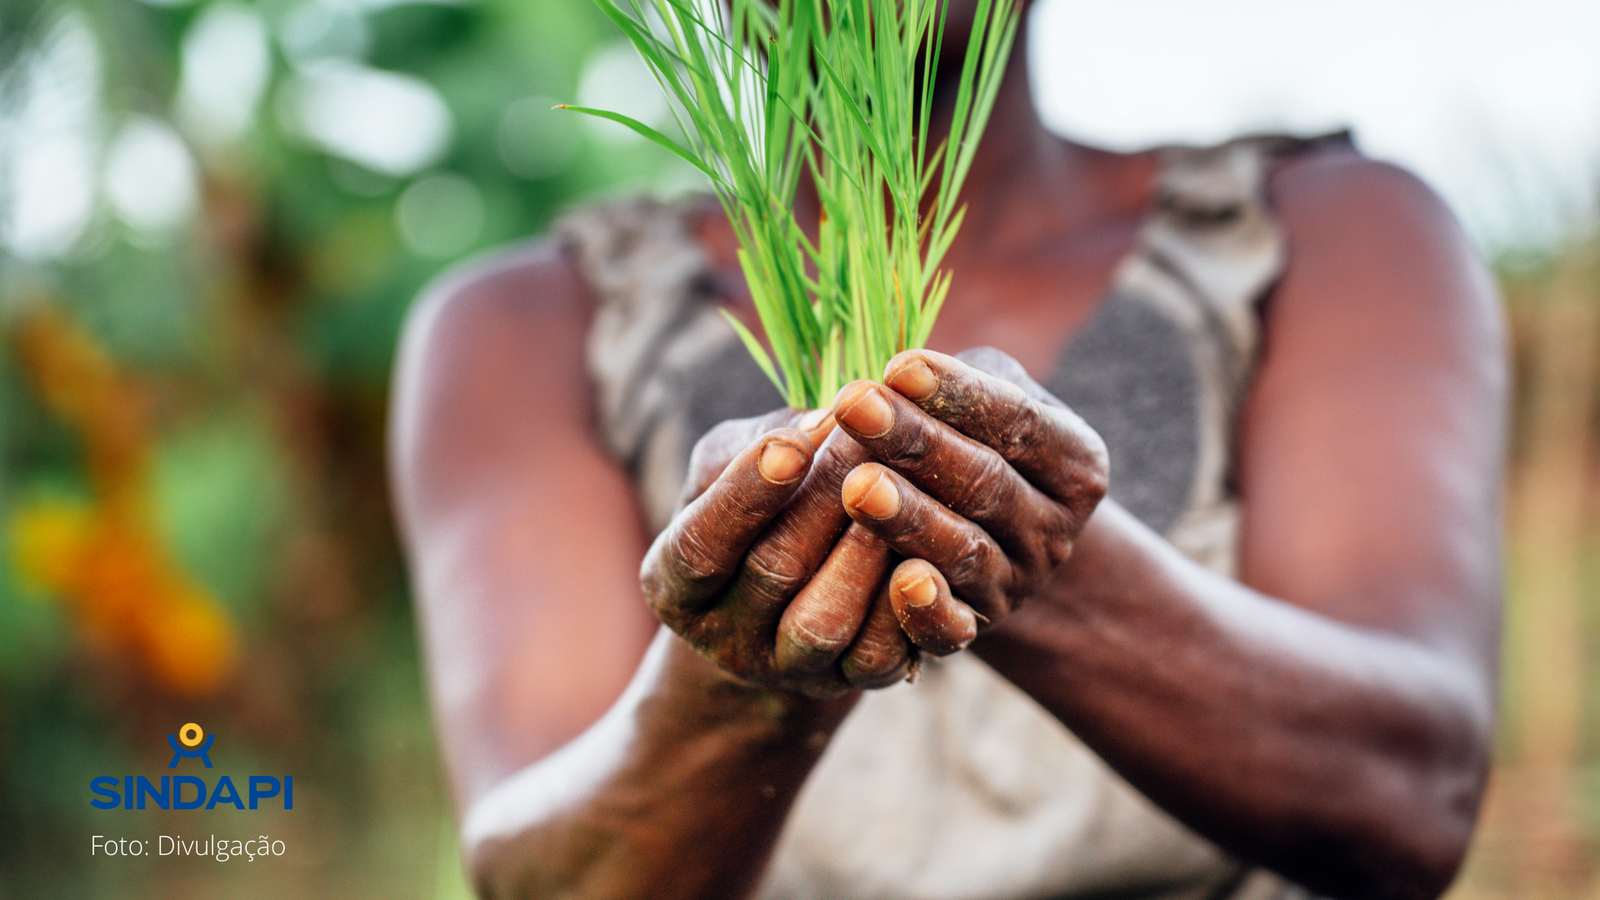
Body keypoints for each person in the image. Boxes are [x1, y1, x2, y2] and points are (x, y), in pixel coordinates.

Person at [387, 2, 1506, 897]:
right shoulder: (530, 331)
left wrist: (1022, 551)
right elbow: (543, 874)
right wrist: (739, 683)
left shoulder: (1326, 236)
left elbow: (1414, 795)